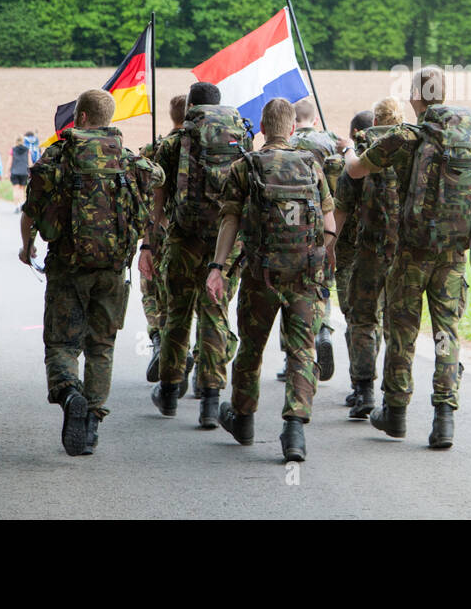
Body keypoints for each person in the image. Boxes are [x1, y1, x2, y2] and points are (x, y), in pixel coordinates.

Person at [343, 66, 471, 449]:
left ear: (416, 98)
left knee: (402, 331)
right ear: (444, 95)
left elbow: (354, 171)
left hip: (413, 251)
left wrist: (350, 148)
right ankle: (444, 419)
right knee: (446, 334)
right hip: (453, 254)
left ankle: (396, 414)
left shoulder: (405, 137)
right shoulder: (468, 136)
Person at [20, 89, 162, 457]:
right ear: (108, 120)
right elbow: (154, 187)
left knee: (63, 343)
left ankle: (70, 395)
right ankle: (92, 422)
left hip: (68, 268)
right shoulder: (129, 161)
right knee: (101, 346)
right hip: (112, 269)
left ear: (80, 118)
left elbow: (31, 211)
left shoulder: (59, 156)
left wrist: (26, 247)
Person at [207, 97, 336, 463]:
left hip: (260, 273)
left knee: (251, 347)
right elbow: (330, 227)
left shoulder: (246, 166)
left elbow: (229, 221)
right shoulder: (312, 164)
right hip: (305, 276)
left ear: (262, 129)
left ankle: (243, 419)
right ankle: (294, 429)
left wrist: (217, 268)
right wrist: (314, 258)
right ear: (293, 128)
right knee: (300, 351)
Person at [141, 82, 250, 428]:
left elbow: (156, 202)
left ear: (190, 106)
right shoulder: (239, 141)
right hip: (226, 241)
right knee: (215, 313)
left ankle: (170, 392)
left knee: (177, 313)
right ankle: (210, 399)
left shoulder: (173, 144)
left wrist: (149, 243)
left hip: (184, 237)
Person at [333, 100, 400, 418]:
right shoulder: (413, 146)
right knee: (397, 323)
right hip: (406, 250)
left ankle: (363, 392)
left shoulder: (362, 151)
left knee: (363, 319)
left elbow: (342, 205)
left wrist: (329, 247)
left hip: (371, 248)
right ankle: (395, 397)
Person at [287, 97, 346, 383]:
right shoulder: (328, 142)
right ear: (316, 120)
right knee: (322, 282)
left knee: (290, 290)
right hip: (326, 224)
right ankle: (323, 329)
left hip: (290, 227)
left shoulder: (287, 142)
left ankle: (293, 358)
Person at [138, 94, 186, 385]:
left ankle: (159, 340)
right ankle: (187, 348)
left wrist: (145, 242)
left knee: (153, 288)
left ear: (171, 116)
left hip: (159, 230)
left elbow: (144, 199)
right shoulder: (209, 150)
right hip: (196, 234)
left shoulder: (154, 149)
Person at [9, 137, 31, 209]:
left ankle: (16, 205)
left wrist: (7, 171)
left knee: (16, 189)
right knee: (22, 189)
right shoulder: (27, 150)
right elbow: (30, 161)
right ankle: (22, 203)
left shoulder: (13, 150)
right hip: (24, 172)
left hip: (15, 172)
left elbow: (10, 162)